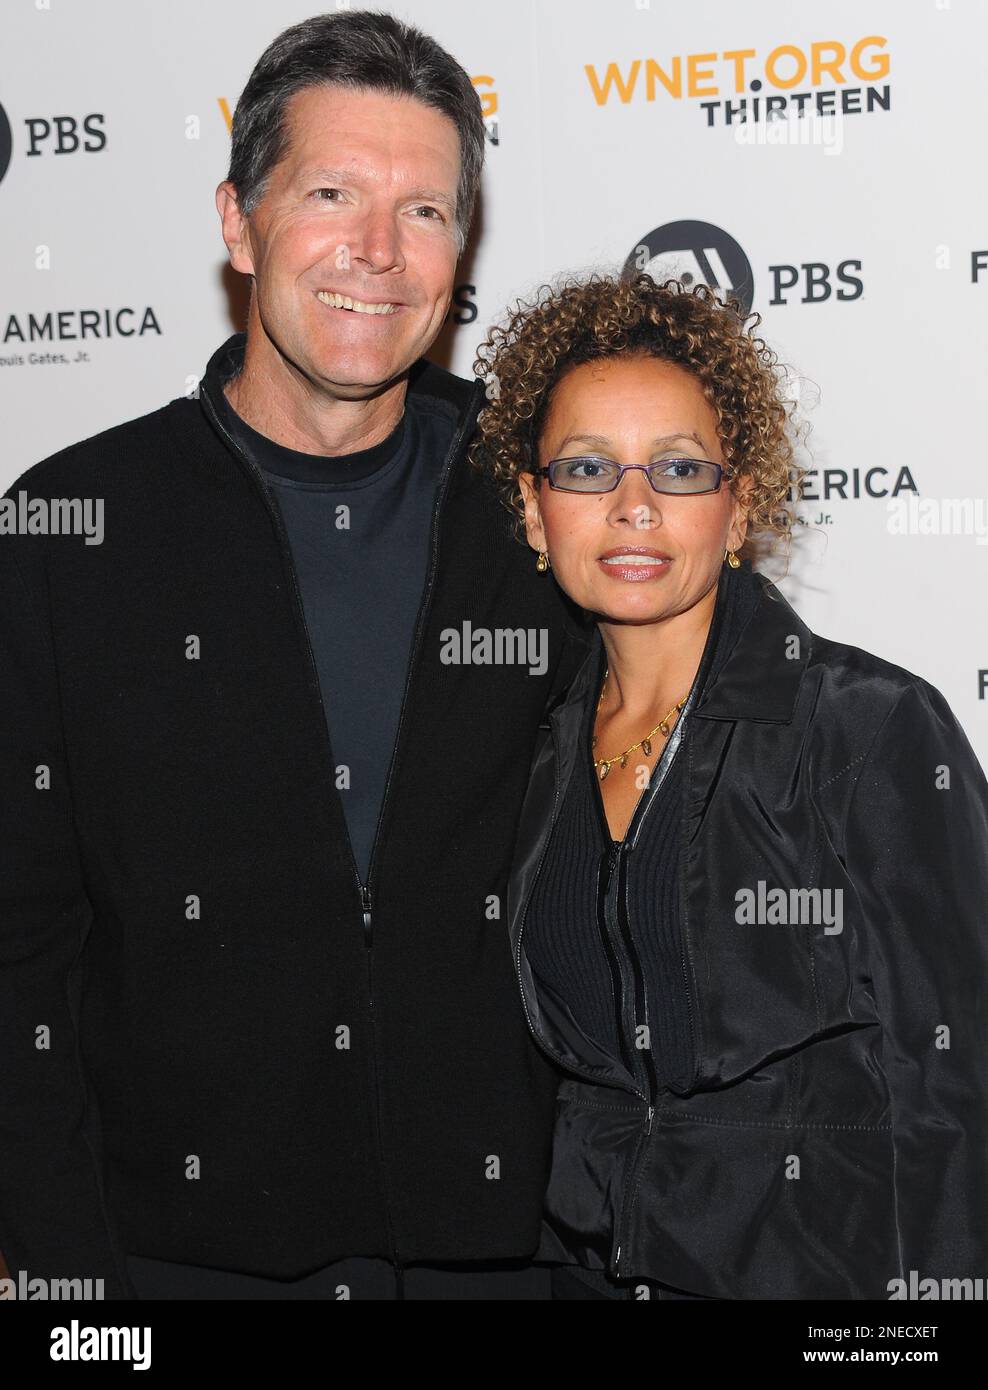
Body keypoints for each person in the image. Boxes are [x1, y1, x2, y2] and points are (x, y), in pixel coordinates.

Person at [0, 11, 590, 1300]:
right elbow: (20, 941)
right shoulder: (70, 527)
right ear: (238, 220)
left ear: (461, 245)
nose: (376, 253)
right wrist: (61, 1277)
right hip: (176, 1258)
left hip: (504, 1248)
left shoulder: (547, 498)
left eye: (425, 210)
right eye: (331, 193)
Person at [469, 270, 988, 1300]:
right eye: (583, 468)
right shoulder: (525, 753)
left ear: (738, 504)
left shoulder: (864, 726)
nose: (631, 506)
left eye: (677, 468)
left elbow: (960, 1082)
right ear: (534, 512)